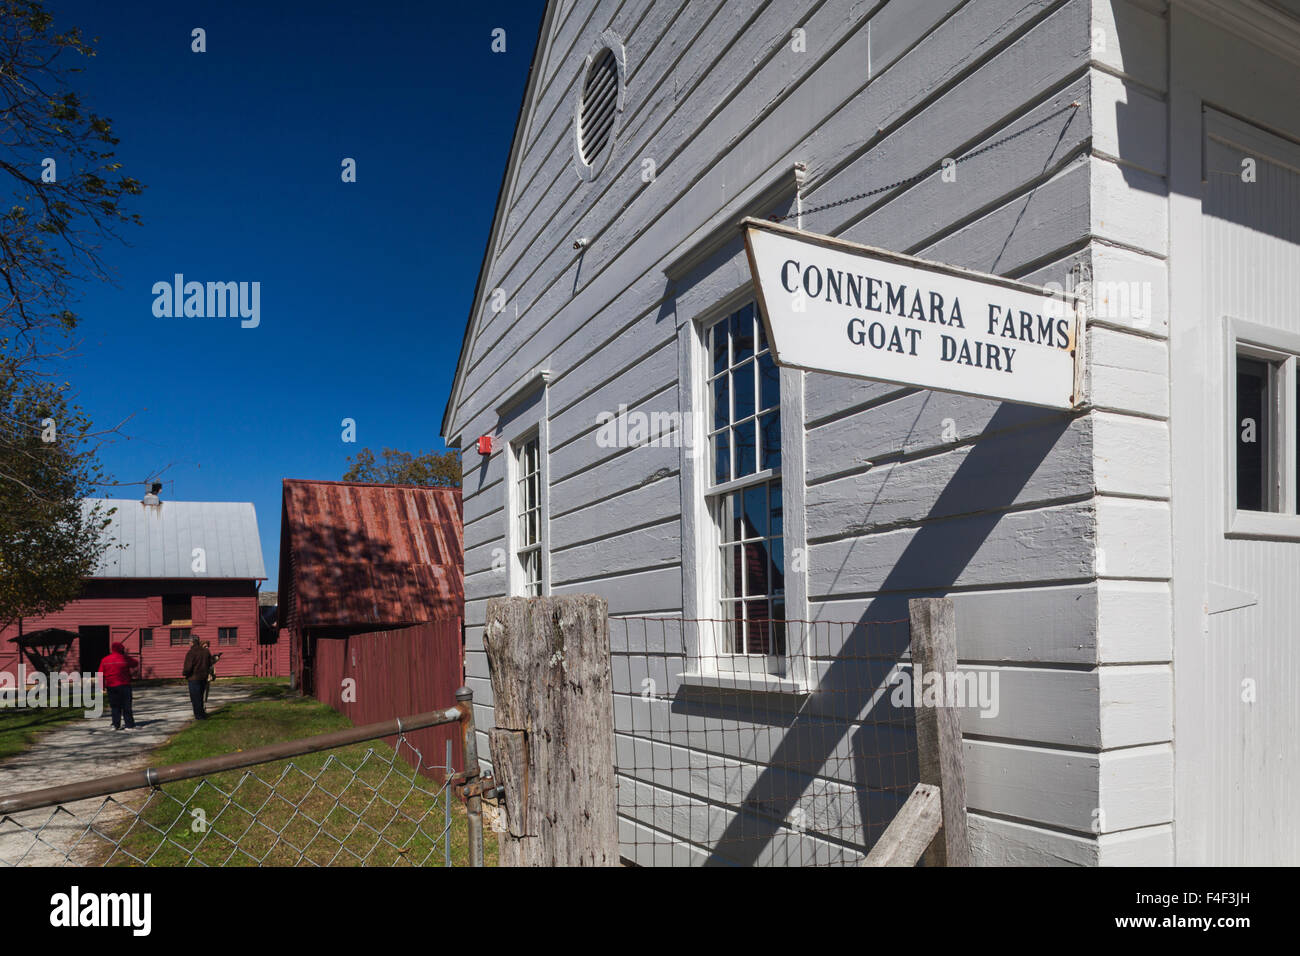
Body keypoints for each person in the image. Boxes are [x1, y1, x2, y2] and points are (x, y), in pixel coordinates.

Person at [99, 642, 139, 730]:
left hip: (111, 686)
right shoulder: (124, 658)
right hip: (124, 685)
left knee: (115, 706)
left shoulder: (105, 660)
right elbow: (135, 663)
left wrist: (102, 687)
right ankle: (129, 725)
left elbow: (100, 674)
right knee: (126, 706)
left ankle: (115, 724)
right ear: (121, 649)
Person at [182, 635, 213, 720]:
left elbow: (188, 667)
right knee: (200, 697)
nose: (189, 643)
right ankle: (202, 715)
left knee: (195, 699)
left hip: (193, 678)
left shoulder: (191, 653)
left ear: (191, 642)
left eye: (189, 642)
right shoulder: (206, 651)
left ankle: (199, 717)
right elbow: (210, 663)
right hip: (203, 677)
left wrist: (185, 673)